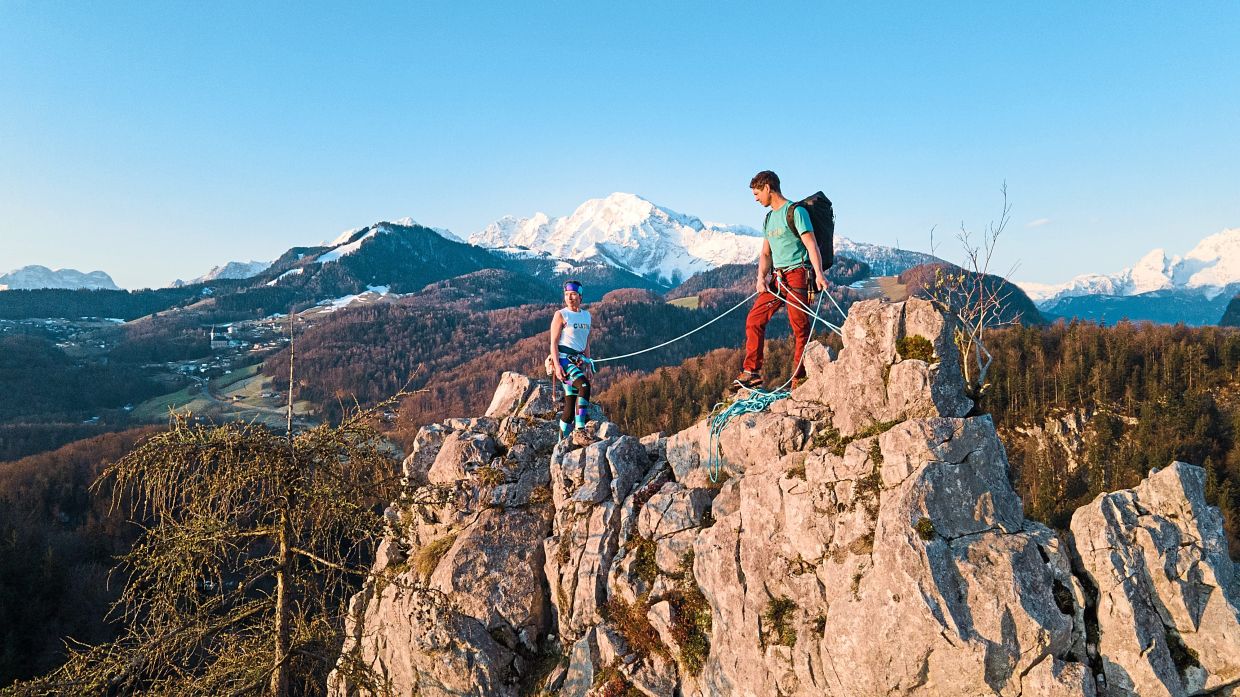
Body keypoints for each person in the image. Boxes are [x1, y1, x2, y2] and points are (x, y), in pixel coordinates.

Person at [736, 170, 829, 390]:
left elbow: (811, 245)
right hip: (778, 277)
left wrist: (819, 274)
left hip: (798, 274)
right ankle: (752, 372)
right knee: (754, 319)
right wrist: (761, 278)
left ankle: (799, 378)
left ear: (768, 187)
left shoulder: (795, 212)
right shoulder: (768, 218)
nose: (756, 199)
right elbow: (766, 253)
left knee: (799, 327)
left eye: (757, 193)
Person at [550, 279, 593, 441]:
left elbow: (586, 342)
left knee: (570, 404)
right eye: (567, 295)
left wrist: (588, 365)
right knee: (584, 385)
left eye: (573, 294)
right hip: (564, 360)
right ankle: (580, 429)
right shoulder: (561, 315)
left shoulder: (587, 316)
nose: (570, 298)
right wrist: (556, 365)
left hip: (579, 361)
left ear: (580, 296)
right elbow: (553, 342)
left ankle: (561, 442)